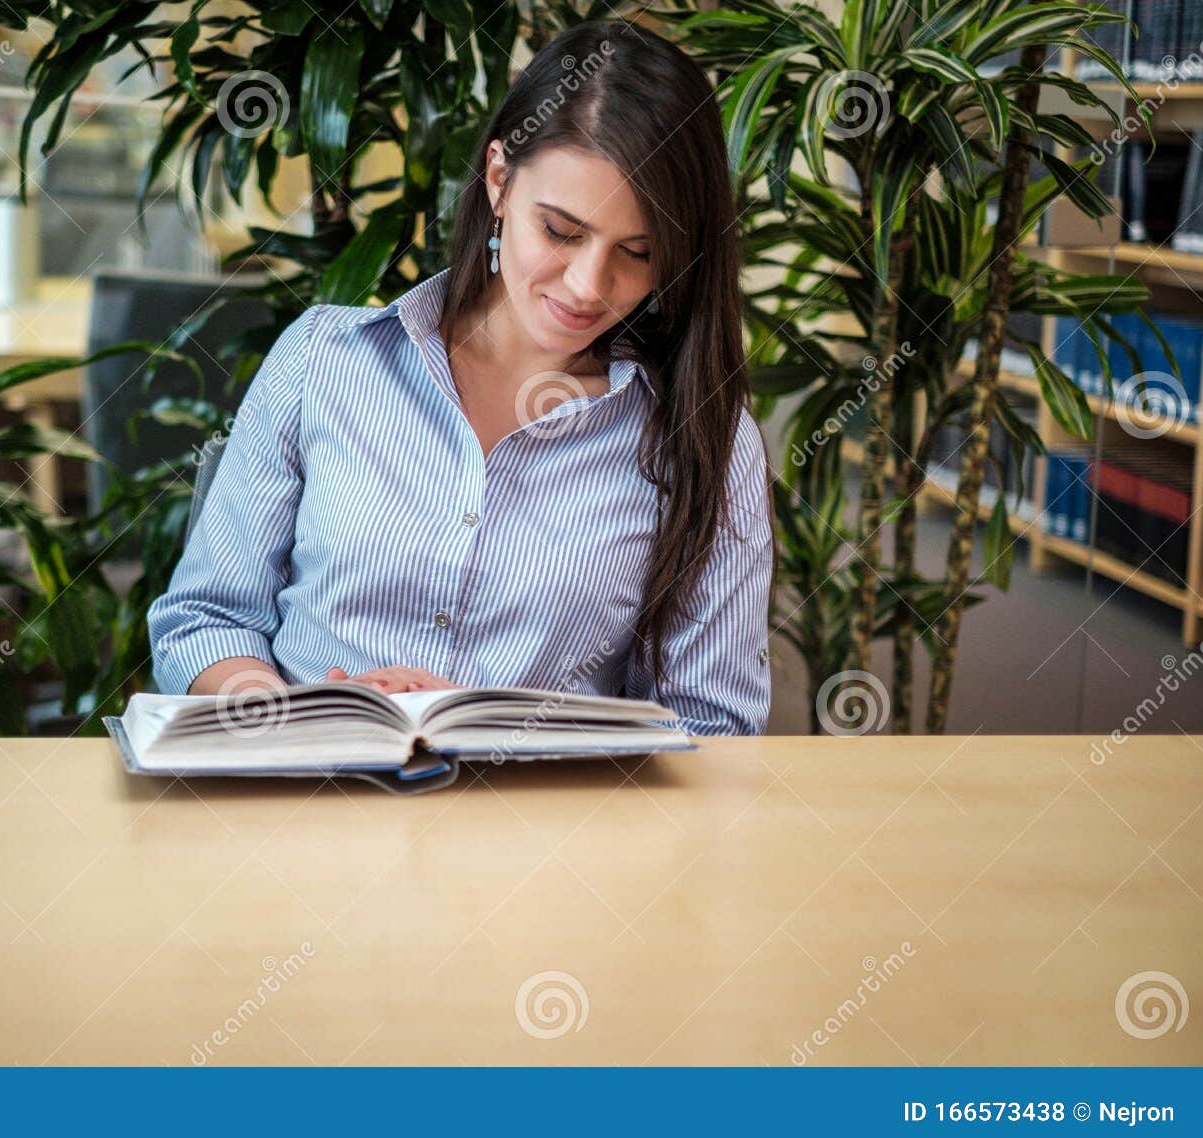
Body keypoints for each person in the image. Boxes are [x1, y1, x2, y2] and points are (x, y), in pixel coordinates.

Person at [147, 20, 772, 736]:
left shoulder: (704, 444)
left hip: (544, 841)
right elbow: (206, 618)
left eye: (638, 252)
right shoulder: (324, 362)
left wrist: (495, 730)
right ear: (500, 180)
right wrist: (286, 705)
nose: (588, 285)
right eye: (562, 232)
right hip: (303, 816)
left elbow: (713, 729)